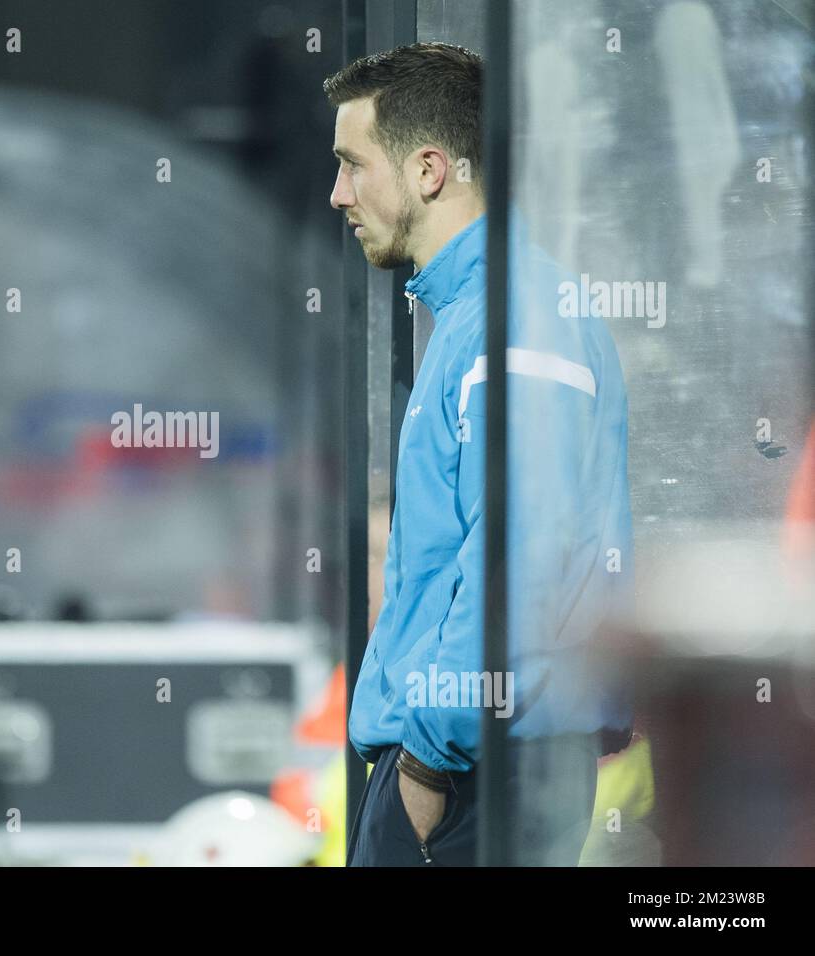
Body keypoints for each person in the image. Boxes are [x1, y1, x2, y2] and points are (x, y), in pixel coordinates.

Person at [325, 43, 634, 866]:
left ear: (429, 168)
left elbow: (520, 562)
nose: (338, 194)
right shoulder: (486, 316)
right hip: (472, 769)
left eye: (352, 165)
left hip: (464, 775)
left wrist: (426, 765)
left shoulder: (514, 320)